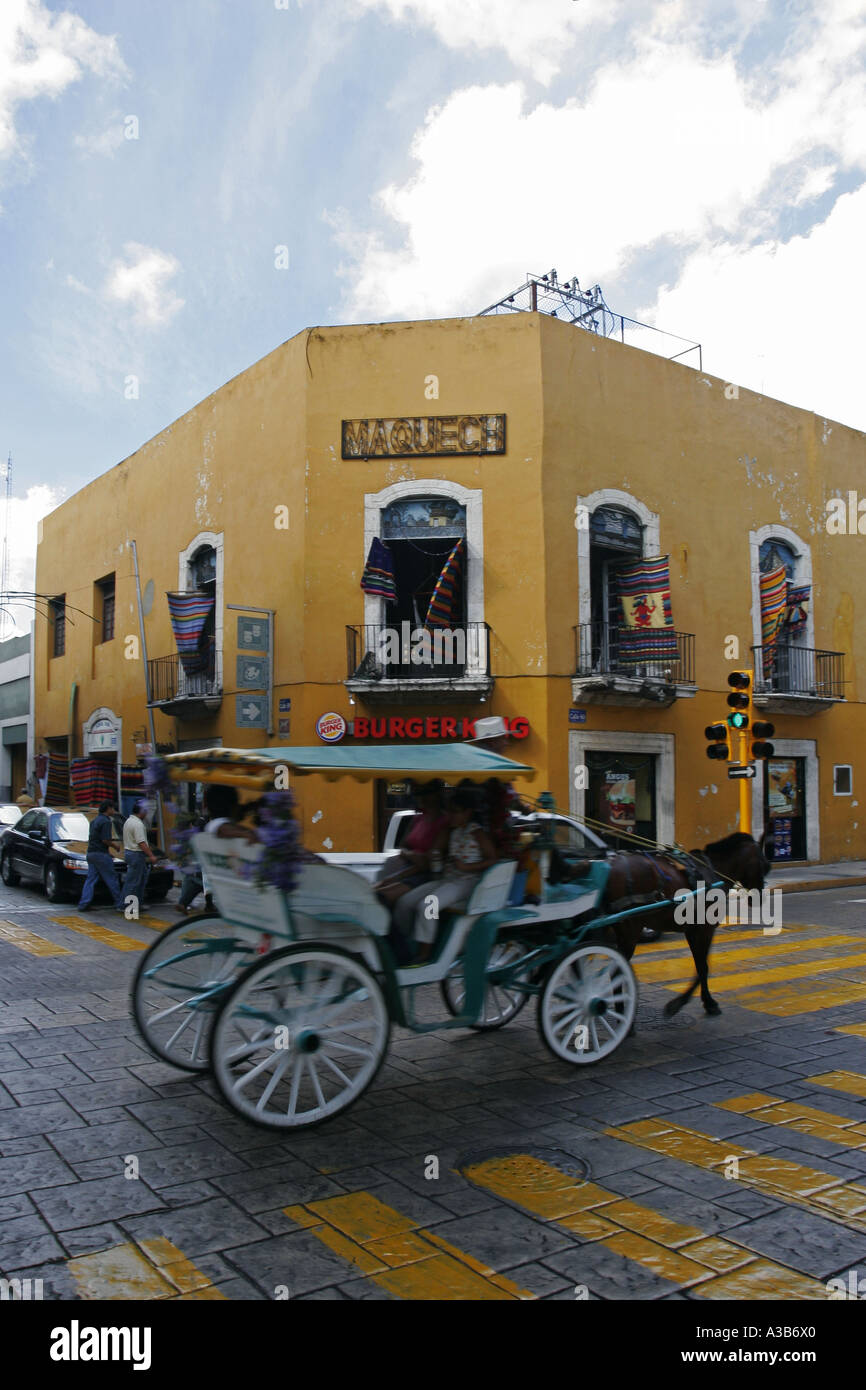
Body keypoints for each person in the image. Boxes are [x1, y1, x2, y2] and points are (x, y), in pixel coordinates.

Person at [393, 789, 498, 962]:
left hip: (467, 881)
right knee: (404, 902)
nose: (450, 815)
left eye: (455, 811)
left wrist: (468, 866)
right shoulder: (453, 831)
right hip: (448, 879)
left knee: (427, 906)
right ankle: (404, 944)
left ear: (468, 812)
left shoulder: (477, 833)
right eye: (449, 811)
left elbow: (493, 859)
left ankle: (425, 953)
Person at [375, 782, 450, 909]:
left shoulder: (444, 823)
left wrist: (398, 876)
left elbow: (427, 863)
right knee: (375, 893)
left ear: (436, 795)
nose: (421, 798)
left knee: (385, 897)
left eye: (425, 793)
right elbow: (403, 848)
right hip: (407, 868)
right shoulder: (417, 819)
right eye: (418, 793)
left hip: (425, 875)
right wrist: (413, 855)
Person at [78, 800, 124, 912]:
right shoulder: (106, 821)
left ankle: (84, 904)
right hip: (101, 855)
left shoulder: (94, 821)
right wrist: (115, 846)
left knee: (91, 880)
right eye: (113, 808)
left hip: (91, 853)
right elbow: (105, 840)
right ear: (108, 809)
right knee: (112, 879)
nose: (114, 810)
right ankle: (119, 904)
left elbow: (95, 839)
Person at [122, 800, 159, 913]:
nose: (146, 813)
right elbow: (141, 842)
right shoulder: (137, 824)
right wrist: (151, 855)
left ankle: (136, 904)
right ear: (141, 811)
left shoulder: (129, 821)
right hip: (135, 854)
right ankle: (127, 906)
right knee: (134, 883)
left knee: (136, 881)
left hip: (130, 852)